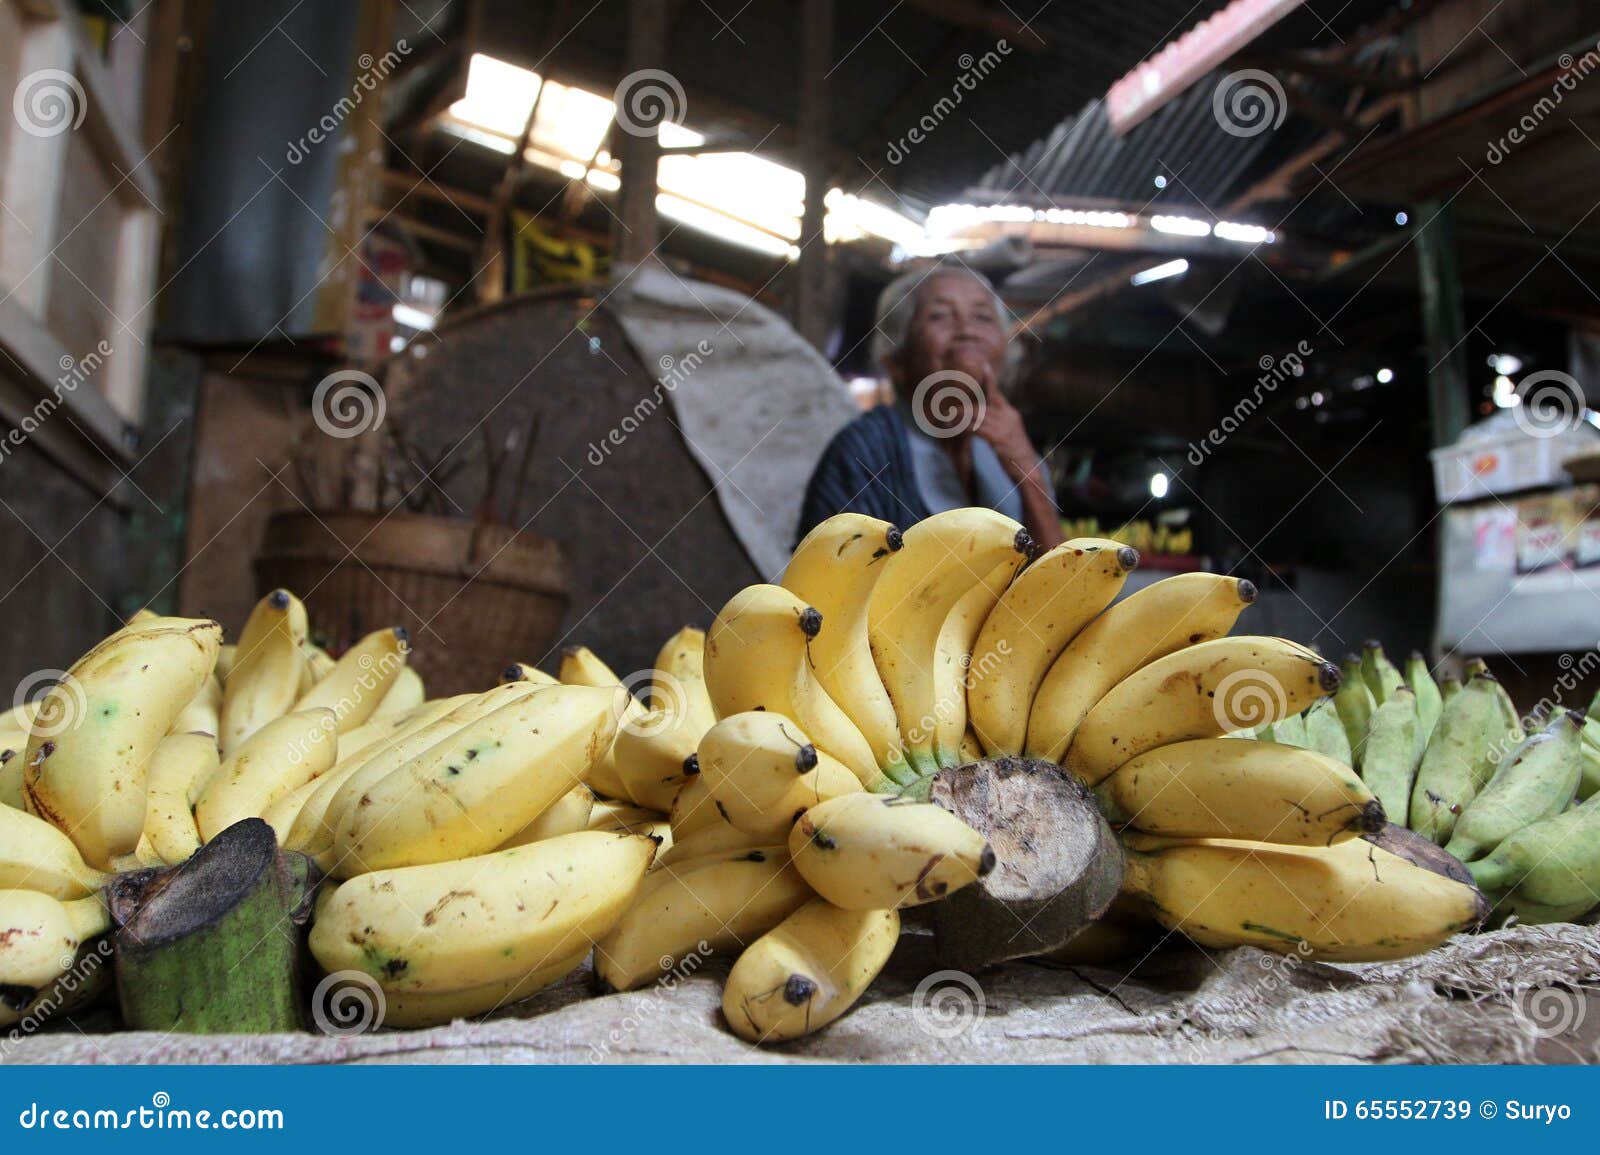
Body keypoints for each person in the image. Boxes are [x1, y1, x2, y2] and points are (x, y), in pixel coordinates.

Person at [798, 264, 1063, 548]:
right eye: (940, 316)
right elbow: (831, 578)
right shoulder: (863, 451)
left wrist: (1027, 470)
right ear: (896, 360)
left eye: (983, 317)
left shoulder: (1014, 445)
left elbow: (1065, 582)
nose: (967, 331)